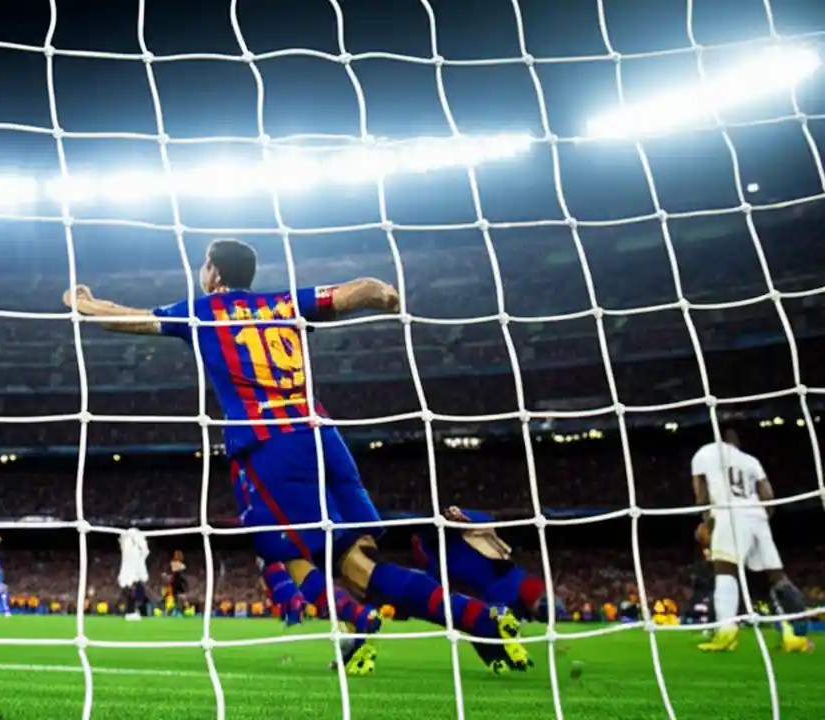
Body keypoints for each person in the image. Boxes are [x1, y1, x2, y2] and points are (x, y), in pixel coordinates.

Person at [64, 238, 530, 675]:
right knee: (357, 556)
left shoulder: (202, 311)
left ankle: (473, 617)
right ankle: (452, 624)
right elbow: (355, 291)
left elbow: (122, 318)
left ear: (213, 271)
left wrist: (81, 300)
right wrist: (381, 293)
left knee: (298, 559)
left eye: (203, 264)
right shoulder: (283, 302)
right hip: (324, 436)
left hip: (271, 445)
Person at [691, 428, 812, 653]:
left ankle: (726, 633)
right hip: (757, 515)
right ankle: (795, 635)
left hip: (728, 513)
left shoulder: (705, 453)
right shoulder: (750, 460)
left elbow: (702, 495)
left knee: (725, 572)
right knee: (777, 577)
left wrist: (708, 523)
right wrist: (759, 521)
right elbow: (768, 495)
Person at [410, 507, 554, 622]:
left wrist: (461, 514)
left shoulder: (472, 537)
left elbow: (482, 521)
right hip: (500, 586)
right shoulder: (442, 554)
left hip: (503, 583)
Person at [118, 527, 151, 620]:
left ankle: (131, 611)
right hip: (131, 568)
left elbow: (145, 552)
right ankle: (130, 612)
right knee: (131, 590)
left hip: (135, 567)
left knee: (134, 590)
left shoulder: (134, 543)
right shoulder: (129, 544)